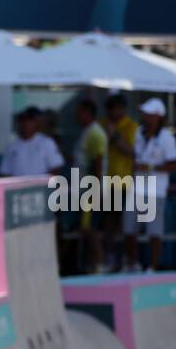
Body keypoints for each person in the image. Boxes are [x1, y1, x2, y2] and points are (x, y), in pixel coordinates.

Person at [125, 98, 176, 272]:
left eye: (149, 114)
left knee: (154, 232)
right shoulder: (138, 133)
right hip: (136, 188)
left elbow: (173, 165)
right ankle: (132, 264)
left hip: (155, 190)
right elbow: (134, 156)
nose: (145, 117)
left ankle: (153, 267)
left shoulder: (167, 138)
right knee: (129, 228)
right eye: (144, 114)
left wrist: (151, 167)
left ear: (158, 117)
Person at [101, 93, 137, 271]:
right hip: (106, 182)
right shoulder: (101, 125)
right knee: (109, 223)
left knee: (126, 223)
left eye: (118, 108)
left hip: (125, 182)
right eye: (111, 108)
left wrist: (114, 135)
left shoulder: (132, 127)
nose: (114, 112)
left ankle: (126, 260)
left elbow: (131, 151)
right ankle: (109, 258)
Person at [72, 99, 108, 272]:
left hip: (91, 189)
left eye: (80, 112)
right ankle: (93, 265)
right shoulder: (87, 132)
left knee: (92, 229)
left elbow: (99, 161)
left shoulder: (95, 133)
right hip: (84, 188)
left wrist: (95, 189)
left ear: (88, 113)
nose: (76, 116)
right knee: (86, 229)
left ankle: (99, 264)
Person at [0, 106, 64, 177]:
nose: (25, 124)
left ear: (35, 123)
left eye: (29, 121)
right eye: (22, 121)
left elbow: (56, 167)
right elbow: (5, 172)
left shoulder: (46, 142)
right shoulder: (12, 146)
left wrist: (46, 184)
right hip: (17, 186)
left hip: (40, 186)